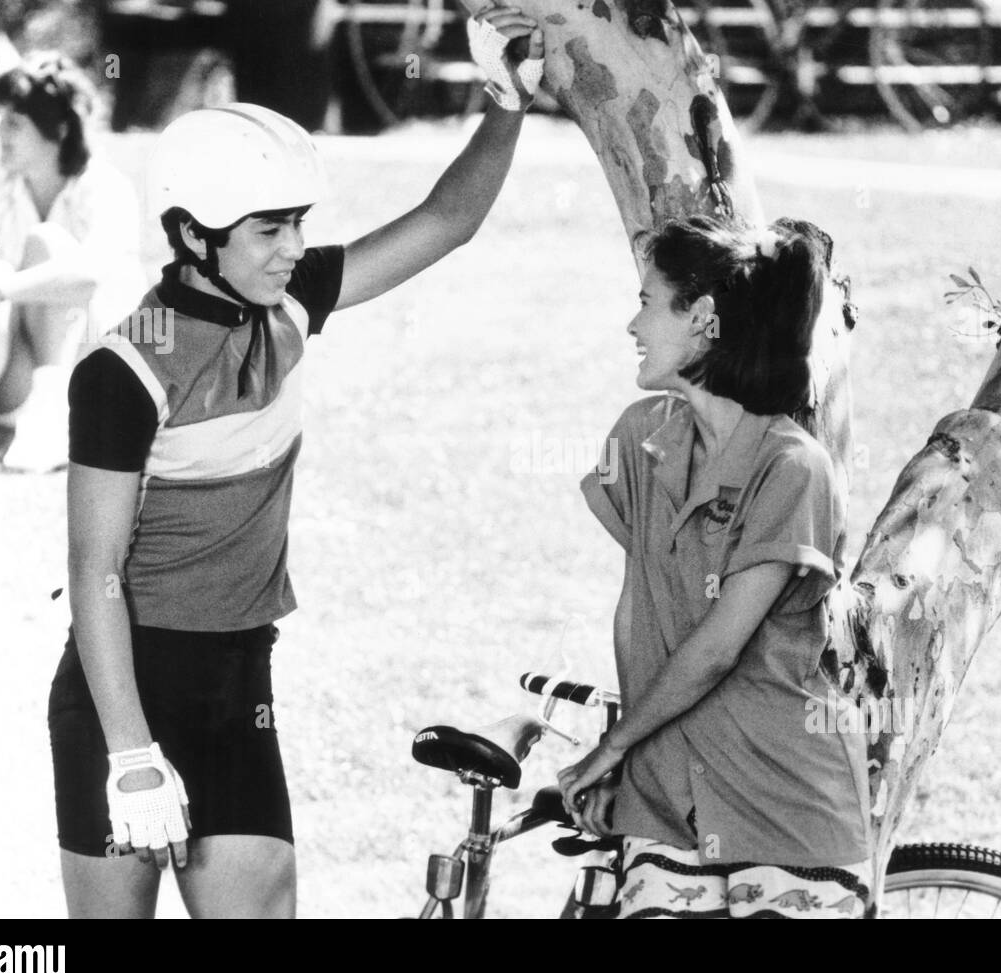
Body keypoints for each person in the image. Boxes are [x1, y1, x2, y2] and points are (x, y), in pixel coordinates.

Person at [48, 6, 544, 918]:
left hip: (239, 680)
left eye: (297, 226)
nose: (294, 248)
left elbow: (448, 221)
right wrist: (129, 753)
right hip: (125, 684)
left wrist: (506, 97)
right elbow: (95, 568)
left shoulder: (285, 300)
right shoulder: (125, 371)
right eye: (269, 229)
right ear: (196, 235)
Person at [556, 214, 873, 919]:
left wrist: (613, 747)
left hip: (786, 802)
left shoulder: (794, 469)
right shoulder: (640, 438)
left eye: (646, 302)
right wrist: (631, 758)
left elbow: (717, 649)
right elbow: (638, 604)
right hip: (668, 798)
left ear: (702, 318)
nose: (631, 327)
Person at [0, 52, 143, 485]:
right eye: (1, 122)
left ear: (58, 130)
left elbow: (88, 277)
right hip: (8, 367)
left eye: (14, 124)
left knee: (44, 247)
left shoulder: (104, 187)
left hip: (98, 370)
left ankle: (50, 416)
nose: (0, 135)